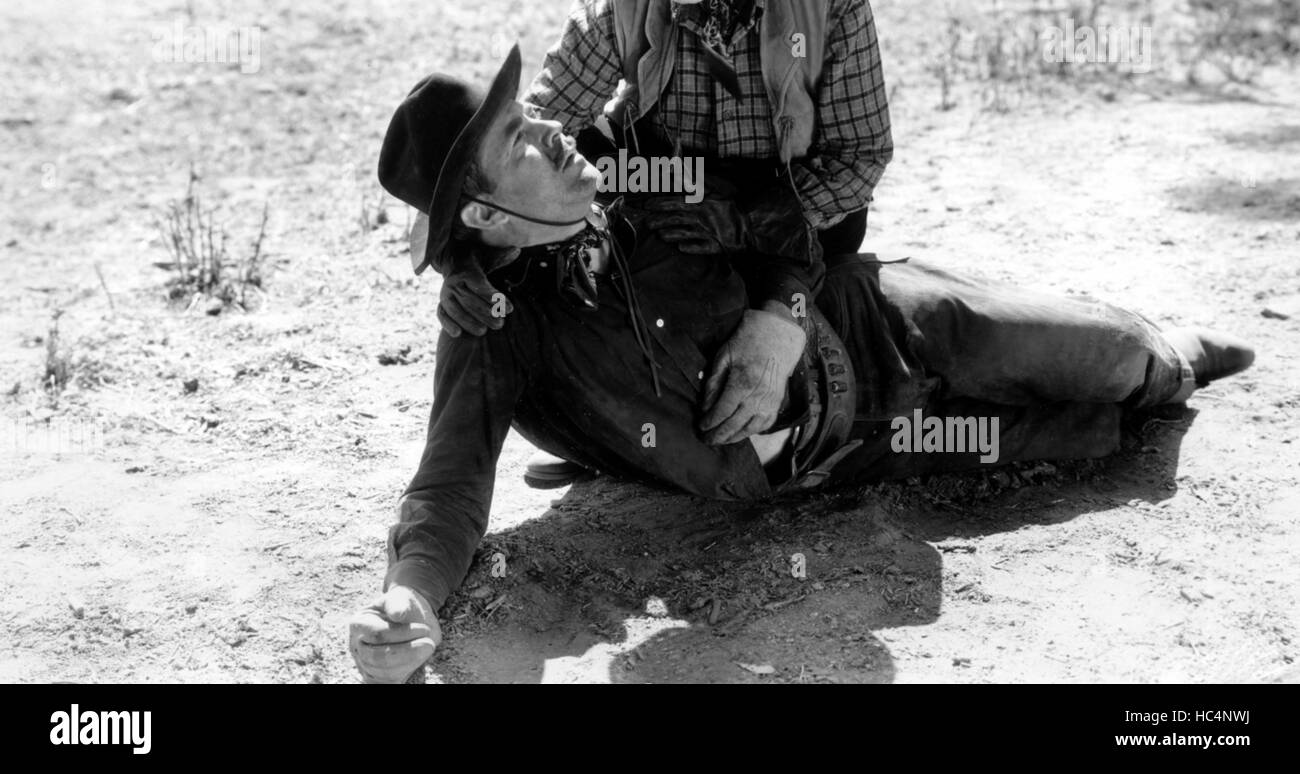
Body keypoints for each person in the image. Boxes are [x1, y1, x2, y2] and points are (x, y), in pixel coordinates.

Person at [347, 46, 1255, 683]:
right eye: (517, 140)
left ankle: (1174, 354)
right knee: (1079, 442)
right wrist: (411, 601)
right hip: (853, 456)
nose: (551, 131)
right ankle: (1116, 410)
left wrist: (778, 316)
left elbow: (789, 215)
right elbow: (448, 486)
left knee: (1122, 362)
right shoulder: (494, 324)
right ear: (481, 218)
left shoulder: (634, 165)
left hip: (880, 323)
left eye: (530, 112)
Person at [437, 0, 894, 487]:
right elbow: (540, 132)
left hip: (795, 219)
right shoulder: (619, 0)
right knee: (575, 260)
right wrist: (464, 259)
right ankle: (617, 439)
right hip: (667, 213)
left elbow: (860, 155)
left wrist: (754, 239)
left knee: (771, 335)